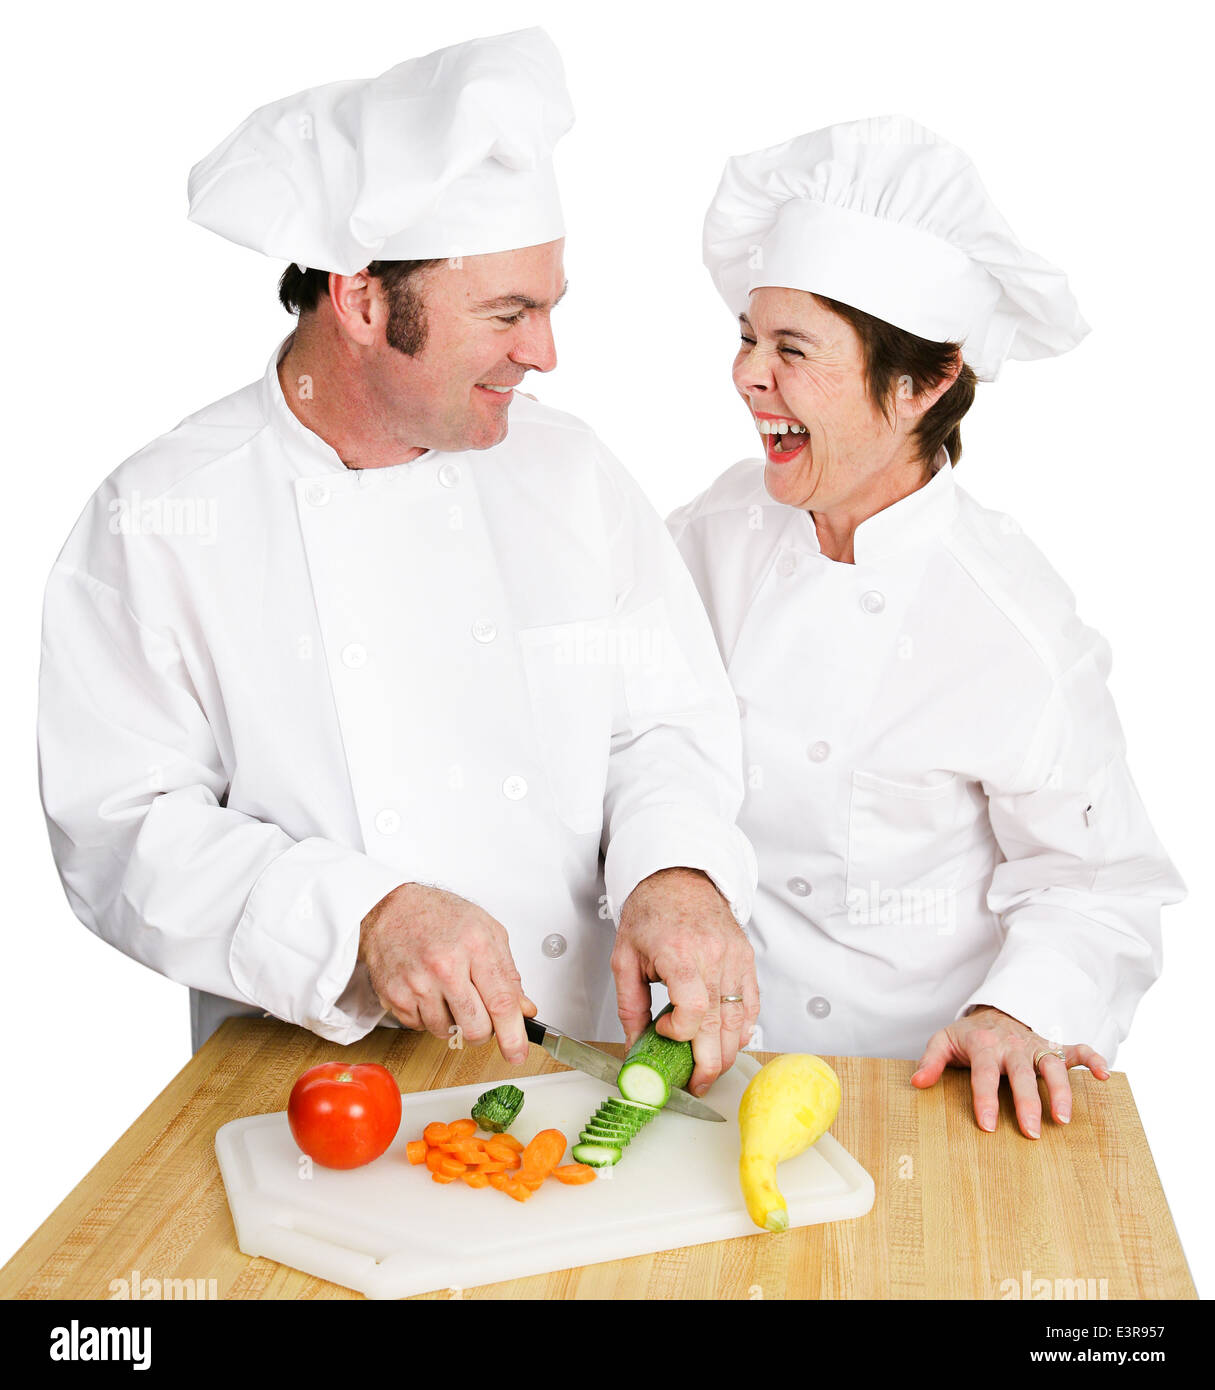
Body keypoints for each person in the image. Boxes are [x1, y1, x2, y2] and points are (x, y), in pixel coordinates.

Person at [37, 29, 759, 1093]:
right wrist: (362, 914)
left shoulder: (572, 473)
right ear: (365, 301)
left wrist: (679, 870)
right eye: (510, 314)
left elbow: (661, 724)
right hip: (313, 1086)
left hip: (582, 1063)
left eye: (551, 306)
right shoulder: (159, 515)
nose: (545, 353)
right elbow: (120, 831)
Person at [667, 115, 1185, 1136]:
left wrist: (1015, 1009)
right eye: (746, 340)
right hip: (693, 1074)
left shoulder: (1010, 620)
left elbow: (1097, 885)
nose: (747, 376)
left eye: (791, 350)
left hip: (913, 1100)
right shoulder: (709, 535)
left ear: (924, 383)